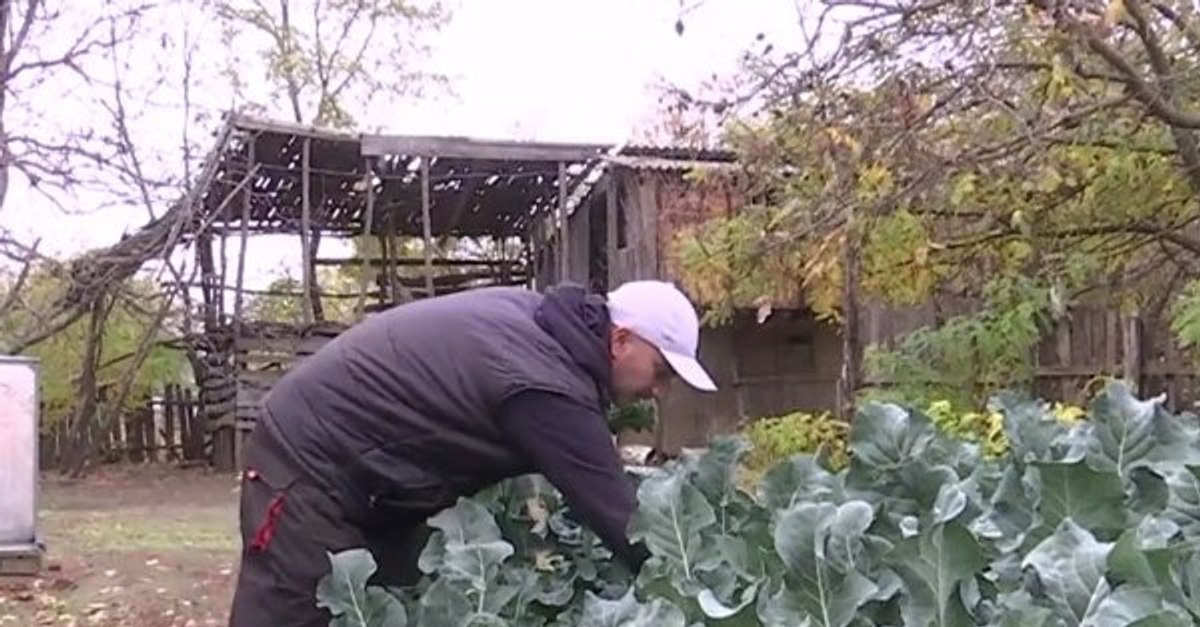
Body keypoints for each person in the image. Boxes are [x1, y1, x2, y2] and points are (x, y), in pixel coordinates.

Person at [226, 280, 718, 627]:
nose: (660, 391)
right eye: (661, 372)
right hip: (309, 461)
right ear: (621, 340)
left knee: (387, 604)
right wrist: (696, 595)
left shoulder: (547, 326)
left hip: (376, 481)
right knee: (296, 612)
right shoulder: (545, 383)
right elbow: (624, 521)